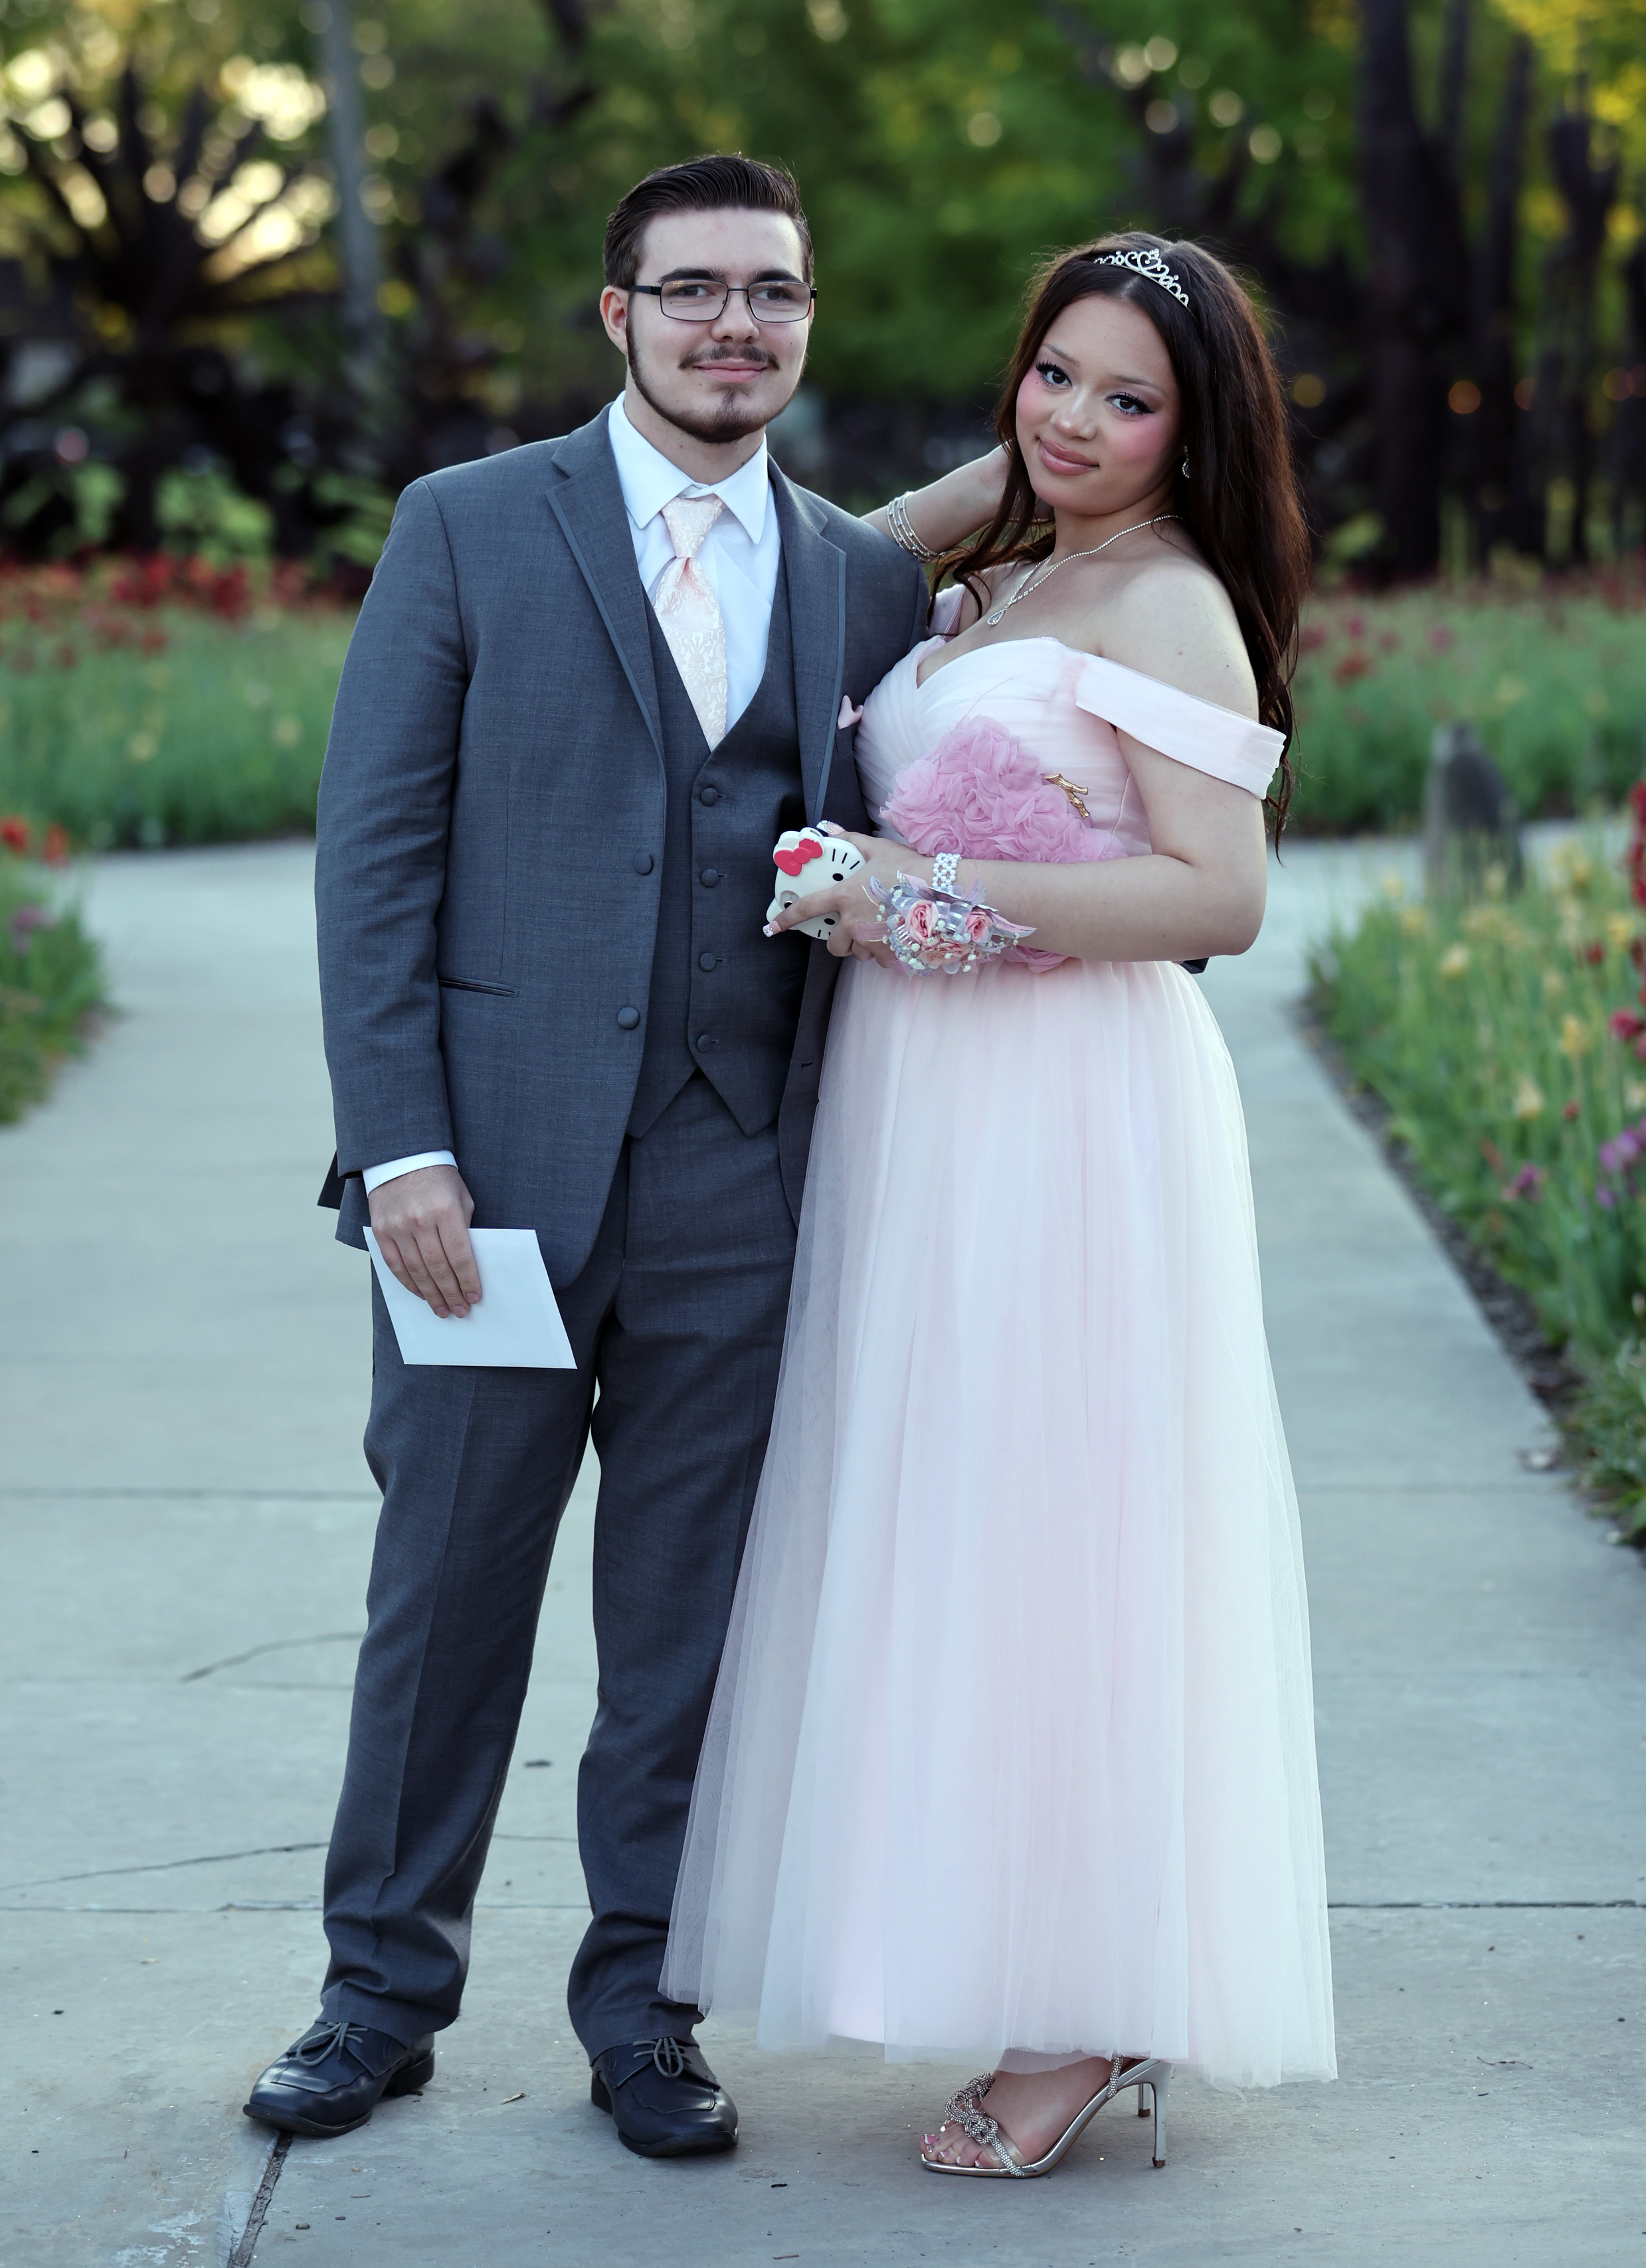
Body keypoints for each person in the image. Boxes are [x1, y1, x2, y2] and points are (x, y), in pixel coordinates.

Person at [242, 153, 1000, 2158]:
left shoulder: (861, 575)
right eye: (694, 292)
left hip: (737, 1182)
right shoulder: (471, 528)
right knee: (446, 1607)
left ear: (807, 316)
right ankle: (377, 1997)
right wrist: (395, 1141)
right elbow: (375, 858)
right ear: (621, 314)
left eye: (773, 290)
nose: (734, 324)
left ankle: (646, 2016)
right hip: (479, 1188)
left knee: (688, 1631)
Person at [663, 233, 1338, 2178]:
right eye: (1057, 375)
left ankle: (1095, 2002)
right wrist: (1026, 470)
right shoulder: (1007, 571)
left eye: (1136, 402)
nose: (1082, 422)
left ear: (1202, 435)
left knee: (1067, 1538)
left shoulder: (1178, 605)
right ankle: (1018, 1949)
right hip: (917, 1112)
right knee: (950, 1520)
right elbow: (841, 553)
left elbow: (1221, 899)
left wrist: (923, 903)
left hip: (1067, 1121)